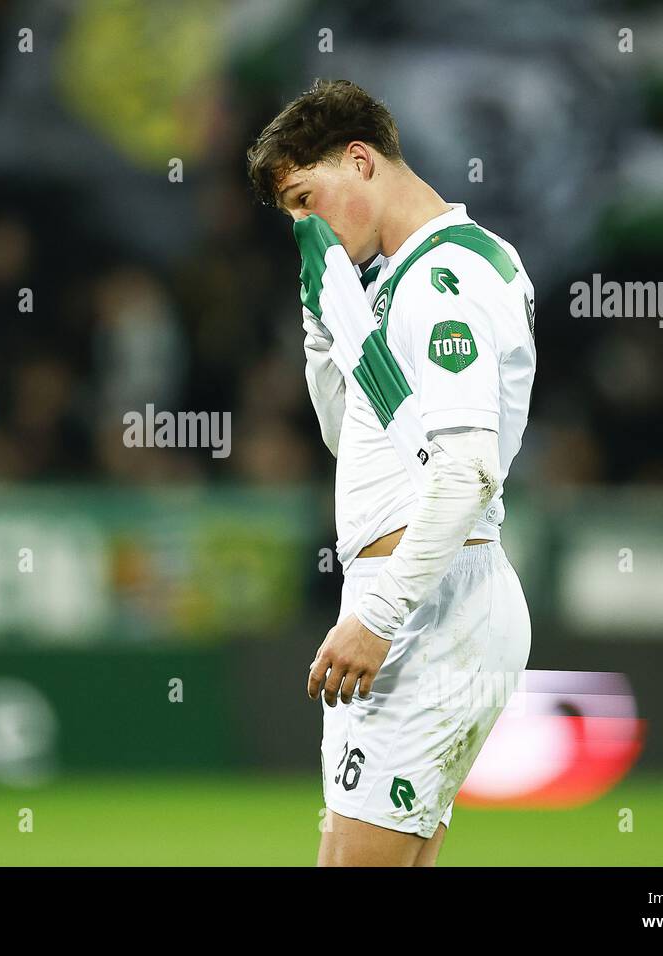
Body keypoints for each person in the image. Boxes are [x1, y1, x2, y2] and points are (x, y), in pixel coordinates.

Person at [247, 79, 536, 866]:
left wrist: (378, 619)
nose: (304, 228)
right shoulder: (401, 280)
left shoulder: (447, 280)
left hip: (428, 609)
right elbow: (356, 440)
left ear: (360, 160)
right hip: (427, 598)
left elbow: (467, 470)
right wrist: (322, 327)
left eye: (306, 199)